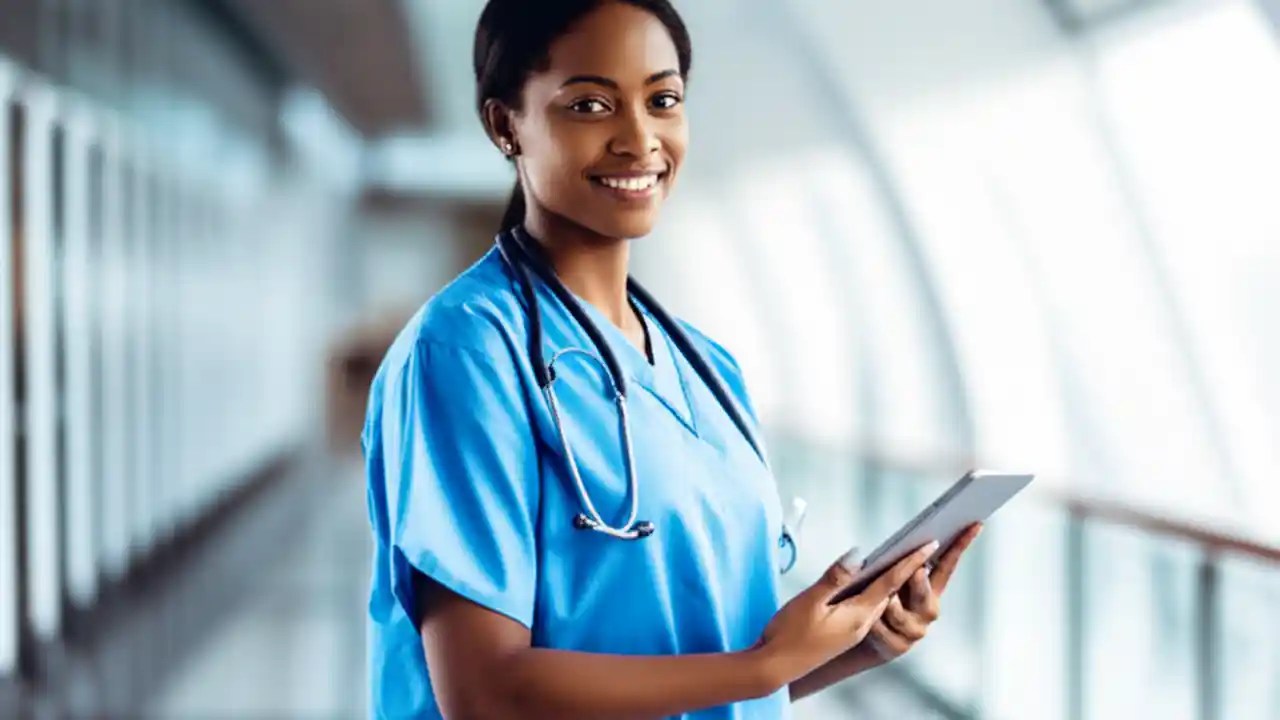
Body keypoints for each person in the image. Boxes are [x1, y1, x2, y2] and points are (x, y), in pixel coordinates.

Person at [362, 1, 983, 717]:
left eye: (663, 100)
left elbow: (711, 670)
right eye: (590, 105)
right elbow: (484, 692)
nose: (639, 139)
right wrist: (763, 664)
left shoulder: (709, 369)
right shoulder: (465, 353)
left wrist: (853, 646)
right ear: (506, 125)